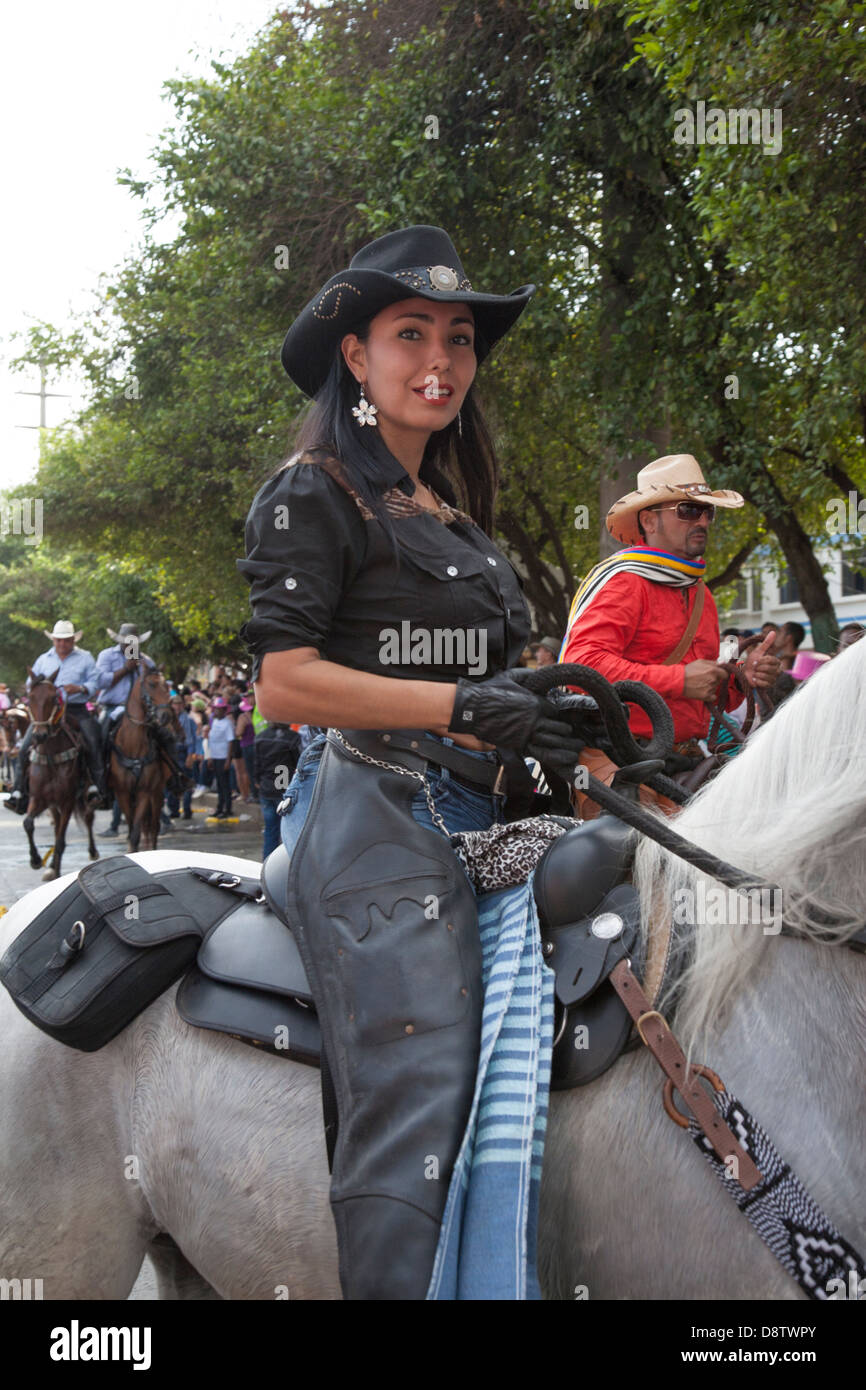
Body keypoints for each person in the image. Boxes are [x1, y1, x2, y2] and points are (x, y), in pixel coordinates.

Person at [237, 224, 585, 1301]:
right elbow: (285, 683)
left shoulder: (452, 515)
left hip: (489, 808)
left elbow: (489, 684)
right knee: (422, 1072)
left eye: (458, 338)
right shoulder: (310, 491)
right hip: (374, 814)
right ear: (356, 356)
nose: (438, 359)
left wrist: (557, 714)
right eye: (408, 333)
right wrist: (456, 700)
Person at [559, 454, 781, 818]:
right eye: (688, 510)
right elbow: (579, 669)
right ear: (649, 519)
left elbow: (703, 695)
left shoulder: (701, 594)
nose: (703, 521)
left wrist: (743, 678)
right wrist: (679, 680)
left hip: (682, 762)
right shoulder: (625, 582)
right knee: (619, 855)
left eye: (708, 512)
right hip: (618, 760)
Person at [5, 619, 106, 813]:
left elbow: (95, 682)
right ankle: (18, 792)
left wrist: (80, 687)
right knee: (25, 746)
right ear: (54, 641)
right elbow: (30, 684)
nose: (62, 644)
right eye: (59, 640)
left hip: (75, 708)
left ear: (73, 640)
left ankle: (97, 789)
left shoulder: (85, 657)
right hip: (47, 714)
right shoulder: (44, 659)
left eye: (66, 640)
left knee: (93, 740)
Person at [255, 720, 301, 857]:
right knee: (288, 831)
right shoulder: (293, 738)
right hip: (284, 788)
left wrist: (258, 781)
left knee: (270, 829)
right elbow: (298, 764)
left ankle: (267, 861)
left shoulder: (261, 737)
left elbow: (256, 764)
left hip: (267, 787)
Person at [206, 696, 235, 818]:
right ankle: (220, 807)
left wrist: (228, 760)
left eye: (219, 709)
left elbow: (230, 742)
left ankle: (227, 808)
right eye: (215, 709)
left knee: (224, 784)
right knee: (219, 784)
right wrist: (211, 757)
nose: (216, 711)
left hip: (223, 757)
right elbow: (212, 741)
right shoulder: (214, 721)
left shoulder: (227, 723)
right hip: (215, 756)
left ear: (224, 710)